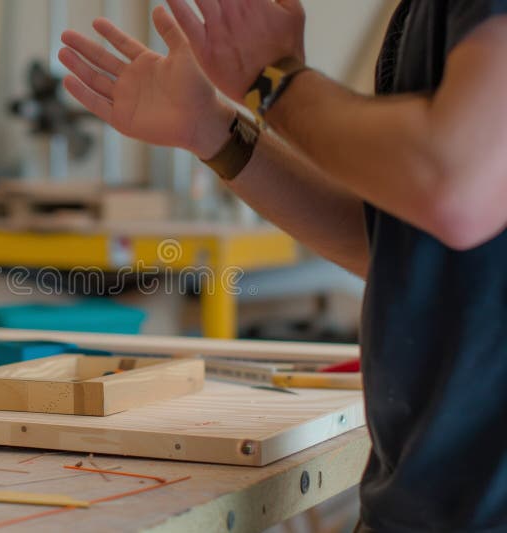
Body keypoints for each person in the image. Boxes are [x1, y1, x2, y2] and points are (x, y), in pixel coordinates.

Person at [59, 1, 507, 531]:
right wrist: (215, 130)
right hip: (424, 503)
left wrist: (275, 79)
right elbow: (394, 246)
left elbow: (455, 188)